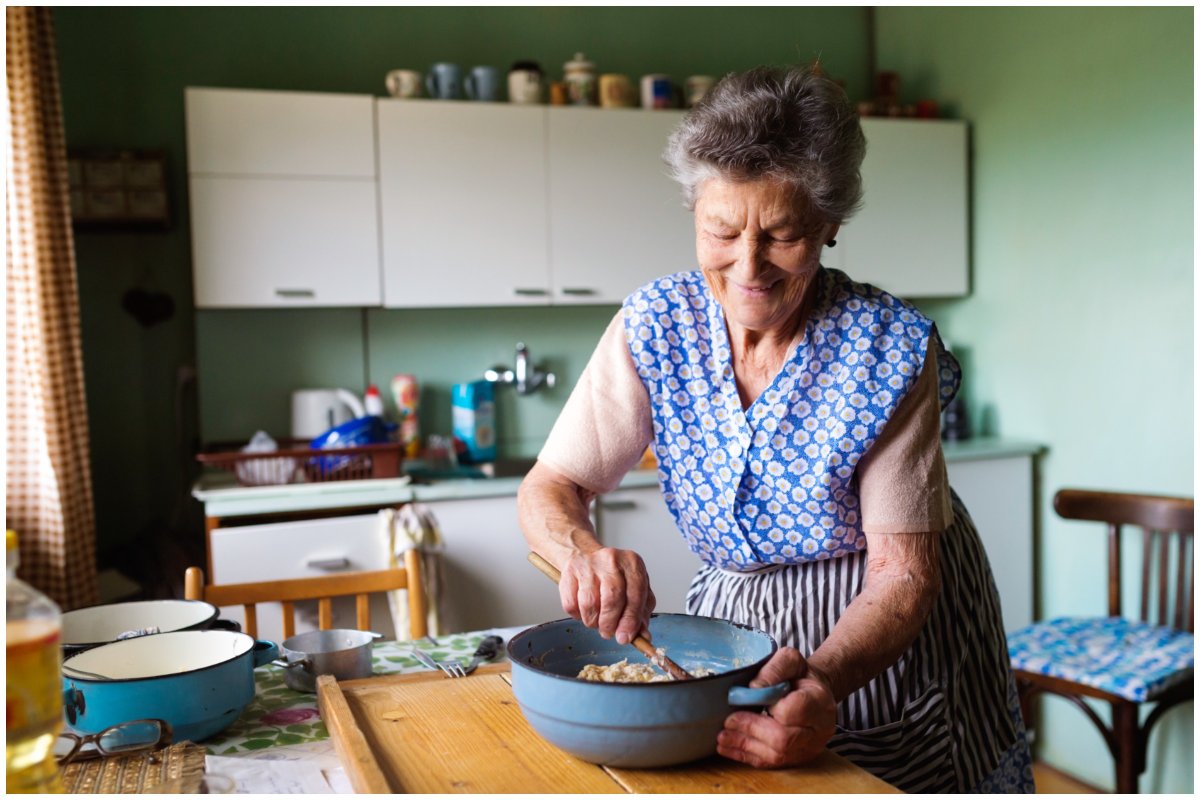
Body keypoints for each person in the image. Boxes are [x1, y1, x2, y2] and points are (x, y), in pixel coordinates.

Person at [517, 65, 1033, 793]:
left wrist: (822, 678)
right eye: (721, 231)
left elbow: (902, 575)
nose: (748, 267)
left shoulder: (888, 348)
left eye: (783, 235)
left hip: (881, 637)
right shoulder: (653, 325)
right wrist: (582, 552)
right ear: (694, 211)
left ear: (829, 226)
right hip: (733, 627)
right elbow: (553, 485)